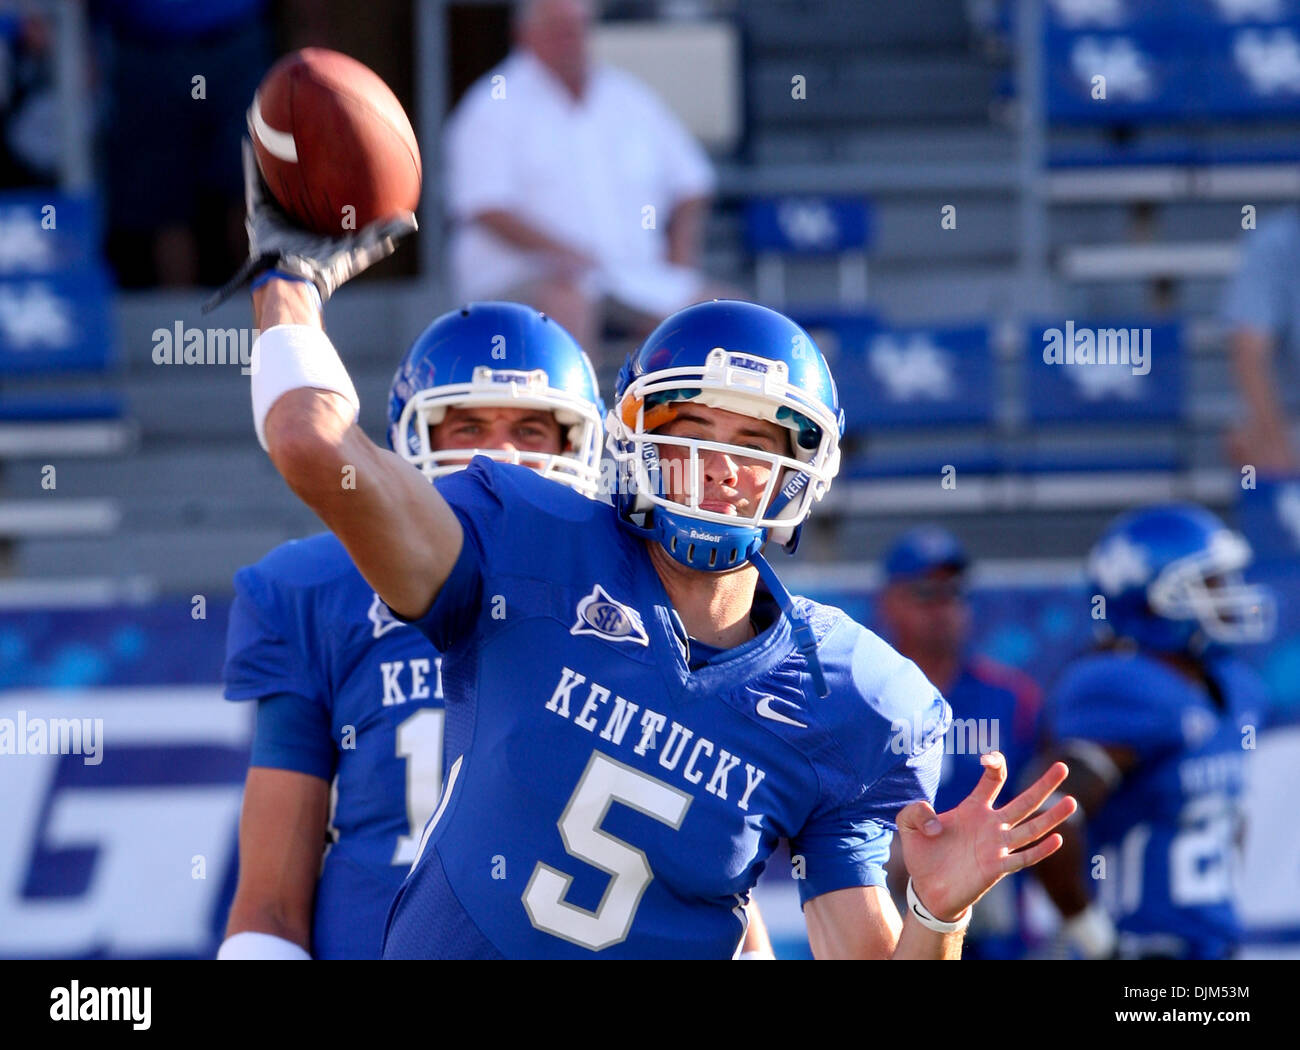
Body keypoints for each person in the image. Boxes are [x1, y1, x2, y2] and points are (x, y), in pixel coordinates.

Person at [231, 144, 1076, 958]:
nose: (717, 469)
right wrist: (292, 282)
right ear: (630, 439)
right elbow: (315, 449)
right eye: (691, 431)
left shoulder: (853, 699)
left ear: (800, 474)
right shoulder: (528, 544)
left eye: (751, 446)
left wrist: (934, 913)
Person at [217, 301, 605, 959]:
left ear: (580, 446)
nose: (500, 456)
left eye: (532, 430)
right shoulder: (315, 592)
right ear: (411, 442)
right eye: (470, 425)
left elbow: (717, 896)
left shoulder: (632, 598)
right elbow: (271, 903)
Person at [1033, 504, 1275, 960]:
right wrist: (1095, 939)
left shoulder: (1234, 686)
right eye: (1211, 582)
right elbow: (1046, 817)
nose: (1229, 595)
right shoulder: (1121, 685)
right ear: (1155, 597)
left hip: (1214, 947)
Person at [443, 0, 724, 357]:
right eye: (558, 28)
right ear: (524, 34)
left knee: (720, 315)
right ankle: (581, 413)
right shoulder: (491, 104)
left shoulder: (628, 97)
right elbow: (485, 205)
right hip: (524, 277)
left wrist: (678, 266)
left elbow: (691, 183)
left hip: (633, 279)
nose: (571, 39)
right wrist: (564, 255)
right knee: (566, 302)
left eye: (577, 28)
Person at [877, 525, 1044, 959]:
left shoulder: (1011, 697)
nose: (942, 607)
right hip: (885, 922)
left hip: (995, 928)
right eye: (925, 592)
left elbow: (1041, 803)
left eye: (952, 592)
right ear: (890, 602)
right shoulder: (862, 698)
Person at [1220, 208, 1300, 474]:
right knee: (1251, 439)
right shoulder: (1277, 243)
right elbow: (1249, 353)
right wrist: (1276, 446)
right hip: (1290, 417)